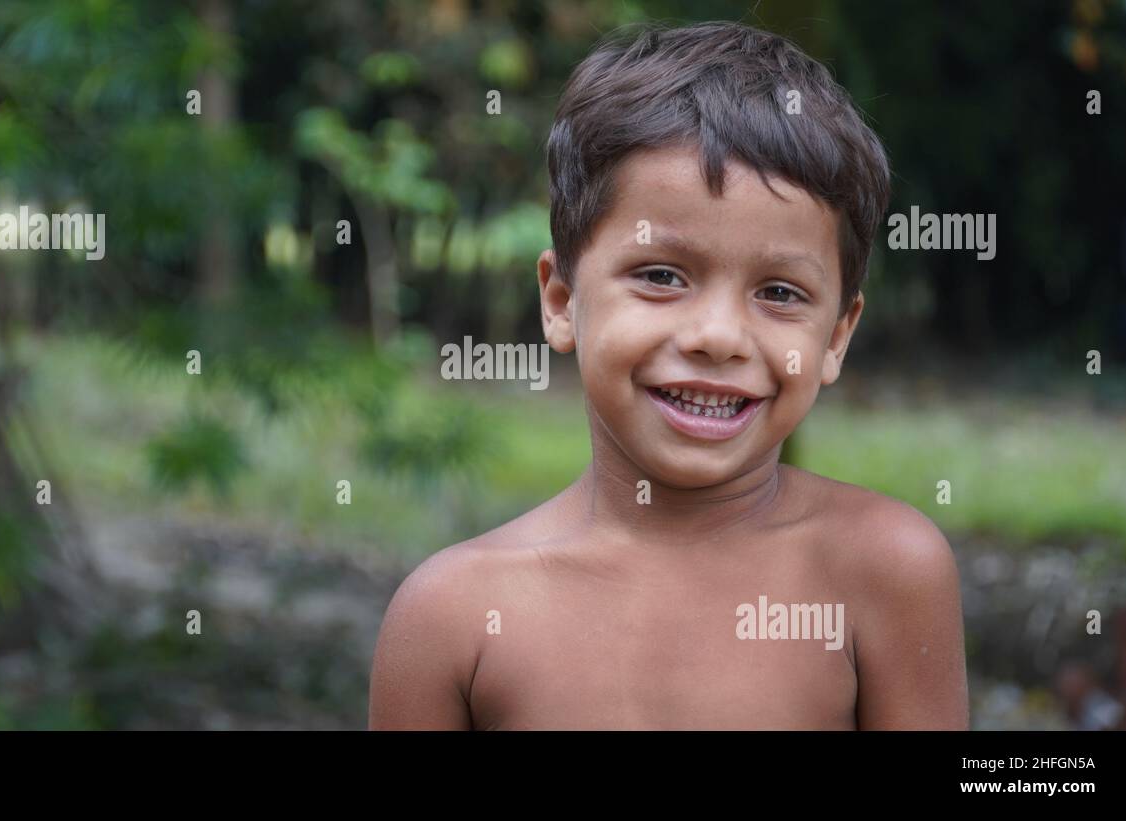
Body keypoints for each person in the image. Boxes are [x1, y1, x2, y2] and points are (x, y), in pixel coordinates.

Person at [369, 21, 968, 729]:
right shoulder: (454, 615)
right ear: (561, 300)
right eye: (660, 275)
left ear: (837, 334)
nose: (717, 336)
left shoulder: (886, 570)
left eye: (779, 292)